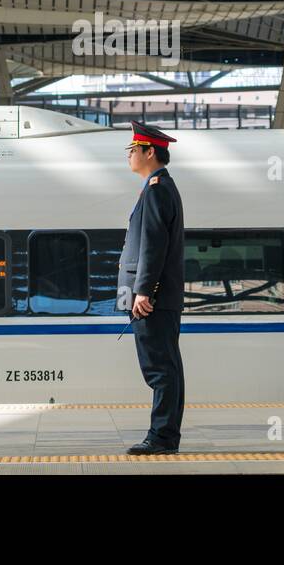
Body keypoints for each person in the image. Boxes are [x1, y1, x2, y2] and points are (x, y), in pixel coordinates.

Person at [118, 121, 186, 455]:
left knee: (160, 369)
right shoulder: (157, 187)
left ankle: (161, 437)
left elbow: (153, 245)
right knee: (166, 367)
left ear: (149, 152)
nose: (129, 155)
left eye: (133, 150)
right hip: (157, 296)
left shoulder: (157, 189)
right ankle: (165, 435)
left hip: (153, 299)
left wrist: (143, 291)